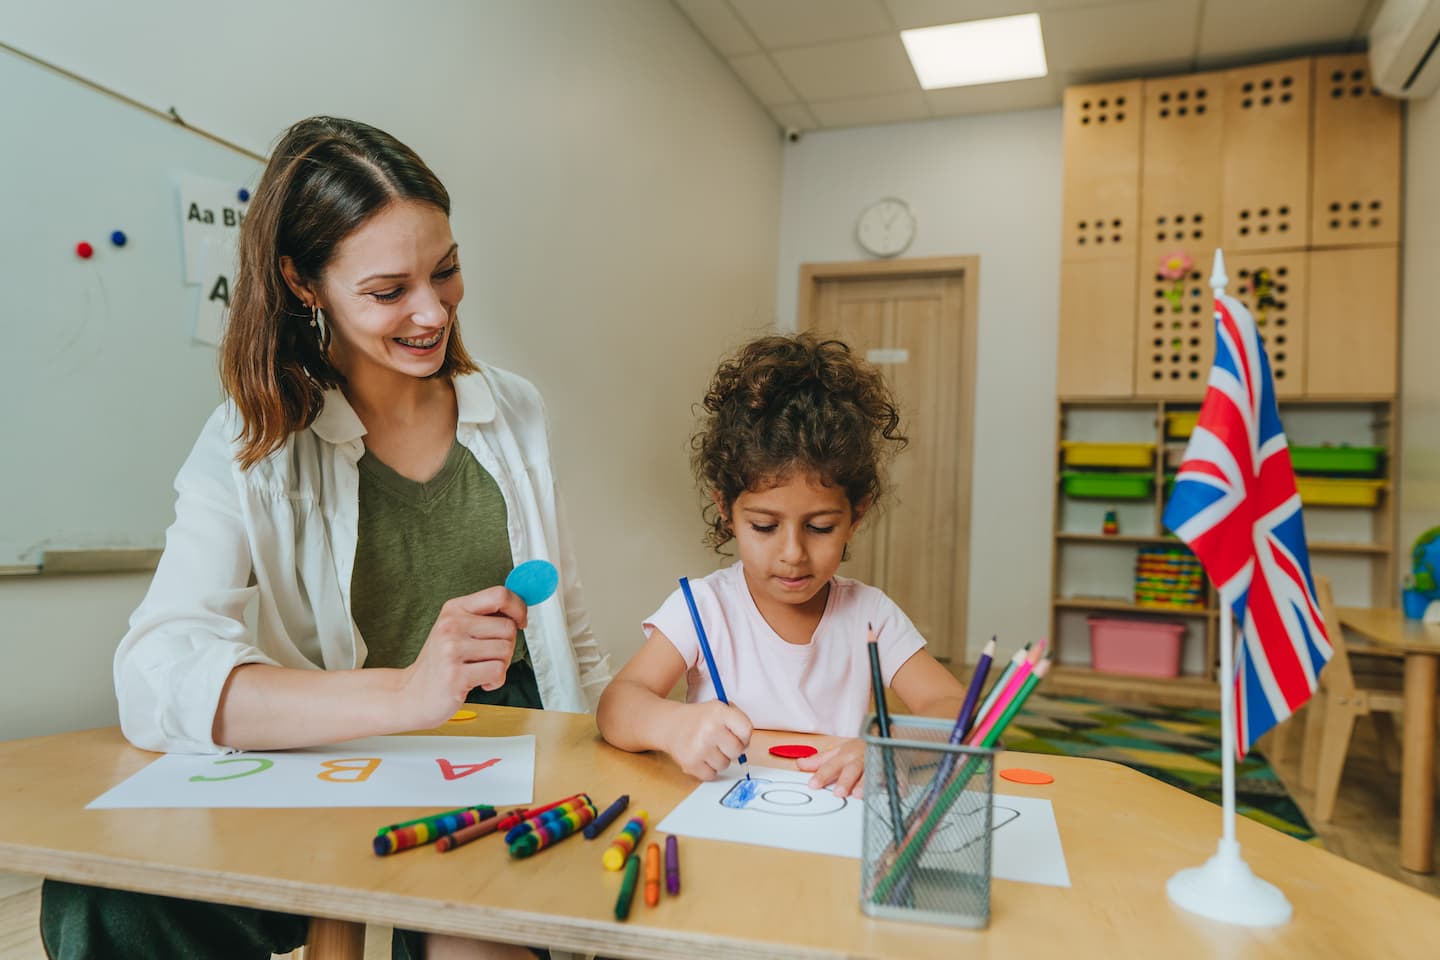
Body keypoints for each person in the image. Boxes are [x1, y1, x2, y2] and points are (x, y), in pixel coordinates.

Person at [40, 116, 608, 960]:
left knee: (480, 938)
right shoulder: (250, 439)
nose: (431, 312)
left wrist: (608, 755)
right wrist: (404, 694)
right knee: (101, 899)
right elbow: (155, 672)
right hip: (334, 758)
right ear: (304, 284)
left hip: (491, 761)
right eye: (388, 291)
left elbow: (574, 636)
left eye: (446, 272)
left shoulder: (512, 408)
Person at [596, 332, 967, 797]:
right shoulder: (704, 607)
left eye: (820, 527)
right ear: (727, 511)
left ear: (857, 515)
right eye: (766, 527)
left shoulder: (870, 615)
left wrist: (892, 746)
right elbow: (616, 705)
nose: (793, 553)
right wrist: (669, 726)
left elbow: (953, 705)